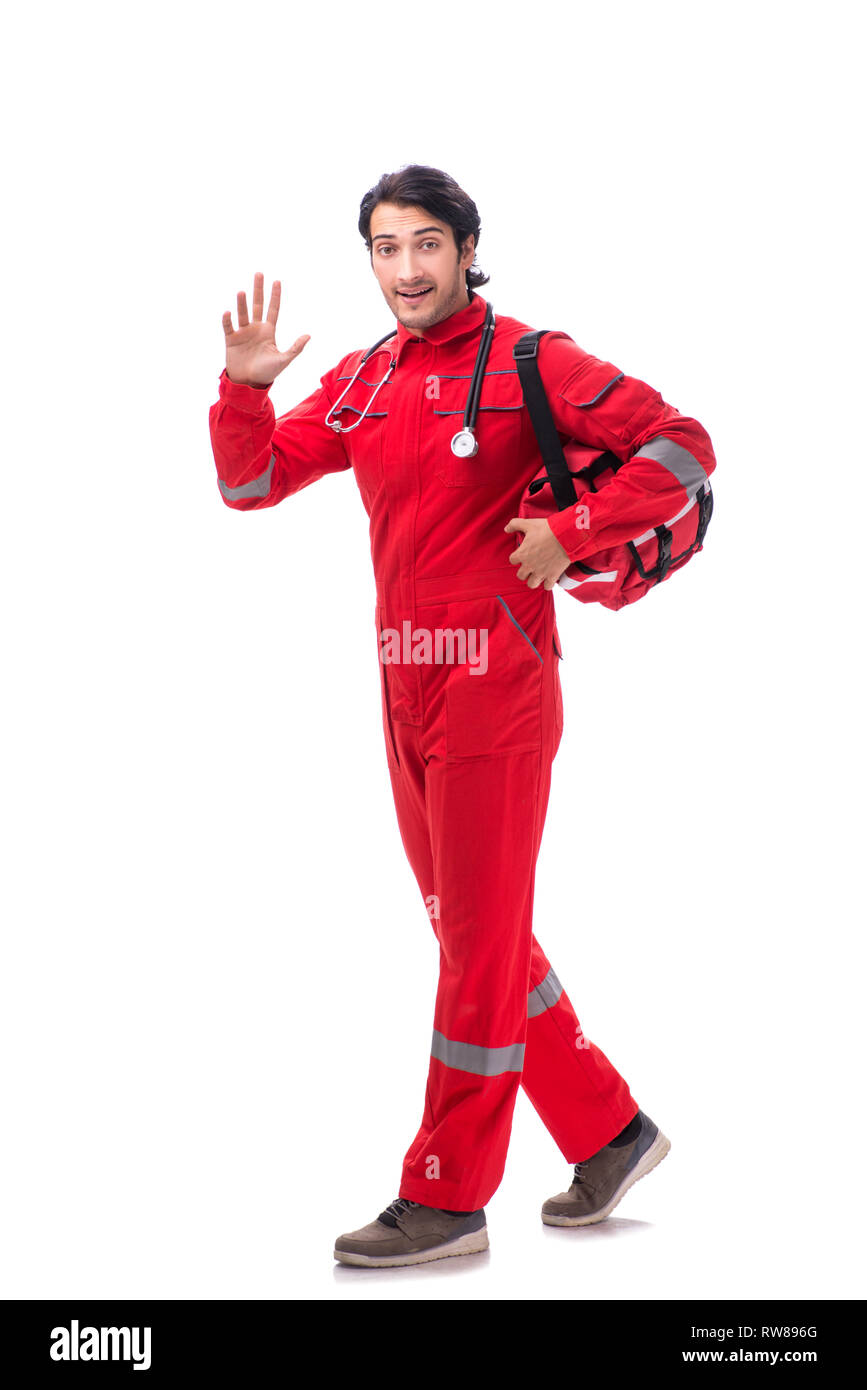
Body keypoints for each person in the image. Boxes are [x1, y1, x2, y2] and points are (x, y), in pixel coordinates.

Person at [208, 164, 716, 1269]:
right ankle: (611, 1130)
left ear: (466, 247)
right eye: (386, 249)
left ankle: (446, 1193)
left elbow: (685, 443)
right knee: (470, 931)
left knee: (476, 941)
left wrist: (576, 528)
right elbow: (249, 489)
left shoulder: (534, 359)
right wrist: (244, 389)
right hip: (402, 676)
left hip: (498, 680)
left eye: (426, 245)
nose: (406, 269)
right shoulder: (366, 378)